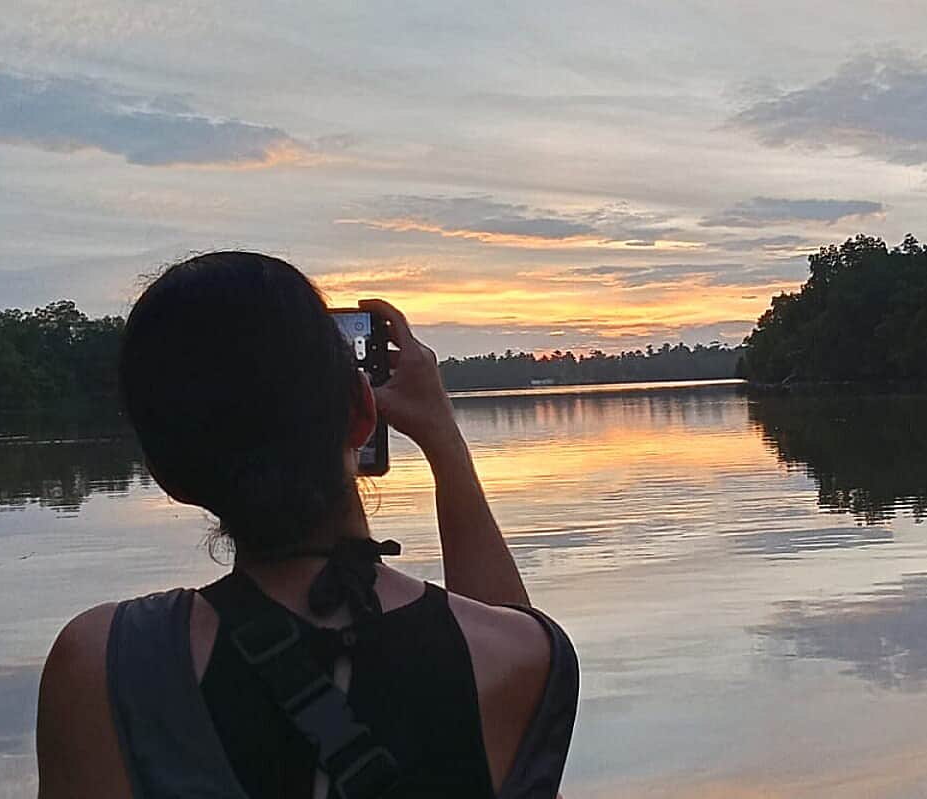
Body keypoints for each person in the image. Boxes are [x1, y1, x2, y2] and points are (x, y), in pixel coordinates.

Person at [35, 252, 578, 798]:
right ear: (363, 413)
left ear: (166, 476)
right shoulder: (524, 658)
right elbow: (502, 632)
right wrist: (443, 441)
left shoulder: (107, 666)